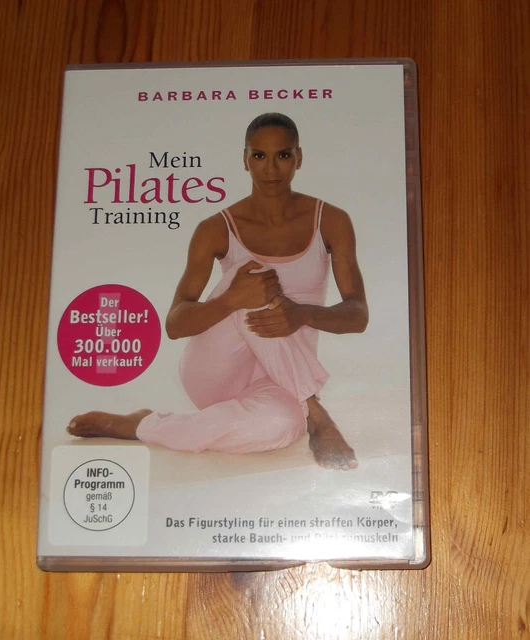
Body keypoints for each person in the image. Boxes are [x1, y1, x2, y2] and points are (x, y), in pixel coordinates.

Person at [67, 113, 369, 470]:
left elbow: (357, 315)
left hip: (280, 383)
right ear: (245, 159)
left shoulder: (331, 221)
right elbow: (175, 325)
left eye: (283, 155)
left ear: (298, 158)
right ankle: (318, 416)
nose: (271, 169)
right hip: (216, 371)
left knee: (283, 426)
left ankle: (141, 425)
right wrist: (231, 300)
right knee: (254, 279)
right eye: (259, 156)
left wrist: (302, 314)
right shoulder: (216, 228)